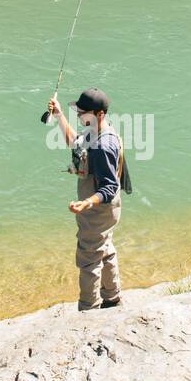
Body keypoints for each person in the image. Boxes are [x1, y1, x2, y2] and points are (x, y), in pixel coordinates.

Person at [46, 88, 127, 311]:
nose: (79, 116)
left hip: (97, 210)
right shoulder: (96, 131)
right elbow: (75, 142)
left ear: (99, 114)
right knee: (104, 247)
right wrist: (59, 116)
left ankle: (89, 310)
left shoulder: (102, 146)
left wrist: (86, 203)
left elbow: (109, 187)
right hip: (107, 211)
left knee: (89, 257)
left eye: (83, 113)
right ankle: (112, 298)